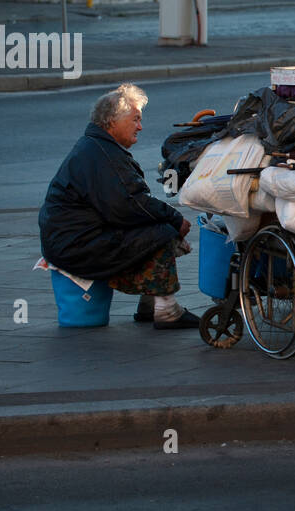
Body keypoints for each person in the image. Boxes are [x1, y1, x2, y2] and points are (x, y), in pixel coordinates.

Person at [39, 84, 199, 329]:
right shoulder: (101, 154)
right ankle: (166, 311)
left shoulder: (96, 147)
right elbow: (130, 205)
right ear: (112, 121)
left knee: (157, 226)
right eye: (135, 119)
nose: (140, 127)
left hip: (70, 241)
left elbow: (128, 204)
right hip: (77, 246)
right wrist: (176, 220)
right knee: (164, 232)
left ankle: (151, 305)